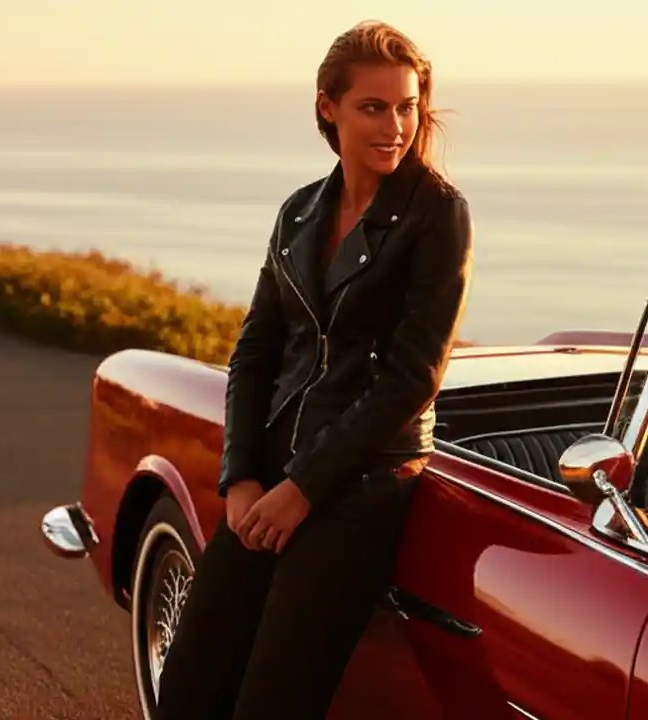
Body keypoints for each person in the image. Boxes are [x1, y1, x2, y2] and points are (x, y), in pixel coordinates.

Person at [154, 19, 474, 720]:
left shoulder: (438, 215)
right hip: (270, 475)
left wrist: (303, 489)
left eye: (407, 107)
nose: (395, 126)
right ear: (328, 108)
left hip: (361, 484)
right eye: (373, 107)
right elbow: (255, 352)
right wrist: (241, 476)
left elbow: (412, 377)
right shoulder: (299, 212)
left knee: (271, 701)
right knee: (187, 687)